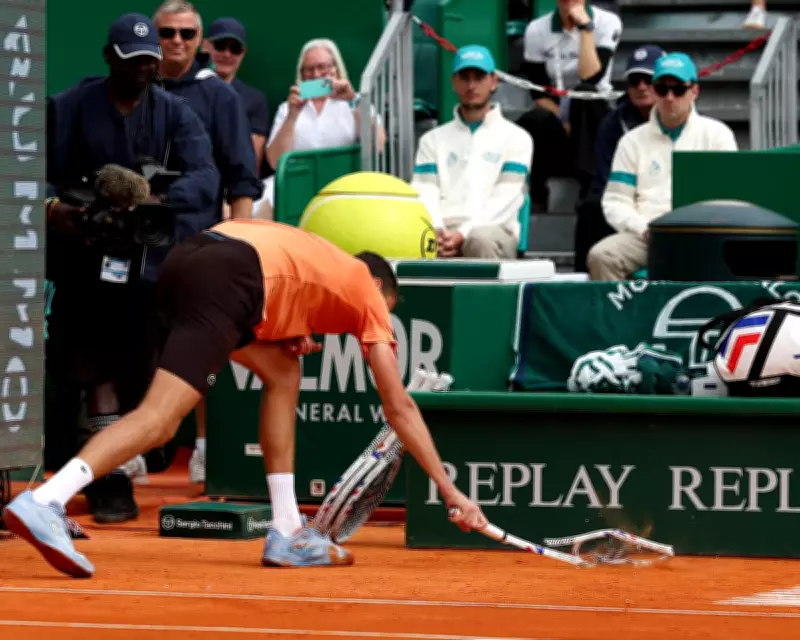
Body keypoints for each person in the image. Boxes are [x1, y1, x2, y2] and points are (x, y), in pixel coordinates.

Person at [2, 219, 488, 578]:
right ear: (378, 285)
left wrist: (291, 332)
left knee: (283, 371)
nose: (377, 322)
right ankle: (46, 499)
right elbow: (398, 406)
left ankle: (285, 530)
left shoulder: (319, 260)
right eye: (387, 309)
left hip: (191, 258)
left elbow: (274, 288)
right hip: (230, 277)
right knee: (161, 420)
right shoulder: (365, 290)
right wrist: (450, 490)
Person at [45, 12, 219, 524]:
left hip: (146, 264)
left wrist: (152, 196)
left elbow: (206, 179)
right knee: (89, 365)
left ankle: (129, 452)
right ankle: (108, 477)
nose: (143, 70)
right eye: (131, 61)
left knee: (139, 367)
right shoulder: (70, 106)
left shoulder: (175, 112)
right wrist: (63, 210)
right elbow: (35, 176)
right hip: (83, 256)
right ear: (108, 58)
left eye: (149, 62)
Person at [587, 52, 738, 281]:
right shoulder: (631, 140)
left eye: (678, 89)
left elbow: (729, 197)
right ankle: (618, 317)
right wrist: (644, 229)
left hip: (703, 236)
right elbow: (616, 200)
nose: (669, 97)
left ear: (694, 91)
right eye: (661, 89)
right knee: (602, 256)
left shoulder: (717, 135)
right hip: (646, 235)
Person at [411, 45, 533, 259]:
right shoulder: (431, 139)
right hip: (441, 231)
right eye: (464, 77)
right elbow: (424, 192)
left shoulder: (518, 138)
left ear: (493, 81)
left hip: (495, 230)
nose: (471, 85)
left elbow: (505, 200)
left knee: (479, 239)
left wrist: (462, 233)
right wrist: (438, 232)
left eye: (479, 77)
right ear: (454, 82)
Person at [251, 38, 386, 220]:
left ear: (335, 69)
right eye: (309, 70)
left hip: (342, 184)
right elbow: (275, 161)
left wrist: (353, 100)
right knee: (260, 205)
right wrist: (293, 115)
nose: (316, 74)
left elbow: (377, 144)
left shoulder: (356, 101)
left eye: (322, 67)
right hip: (297, 184)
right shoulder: (287, 108)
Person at [518, 0, 623, 209]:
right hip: (556, 112)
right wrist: (562, 119)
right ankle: (537, 196)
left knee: (585, 95)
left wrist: (585, 28)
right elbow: (537, 91)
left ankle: (589, 191)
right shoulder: (537, 29)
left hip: (592, 110)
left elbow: (590, 76)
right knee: (535, 119)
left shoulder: (607, 22)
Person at [573, 44, 664, 272]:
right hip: (624, 205)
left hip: (663, 212)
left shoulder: (689, 126)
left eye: (648, 79)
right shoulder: (613, 123)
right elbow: (605, 177)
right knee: (591, 206)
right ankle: (581, 283)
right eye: (634, 81)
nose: (641, 87)